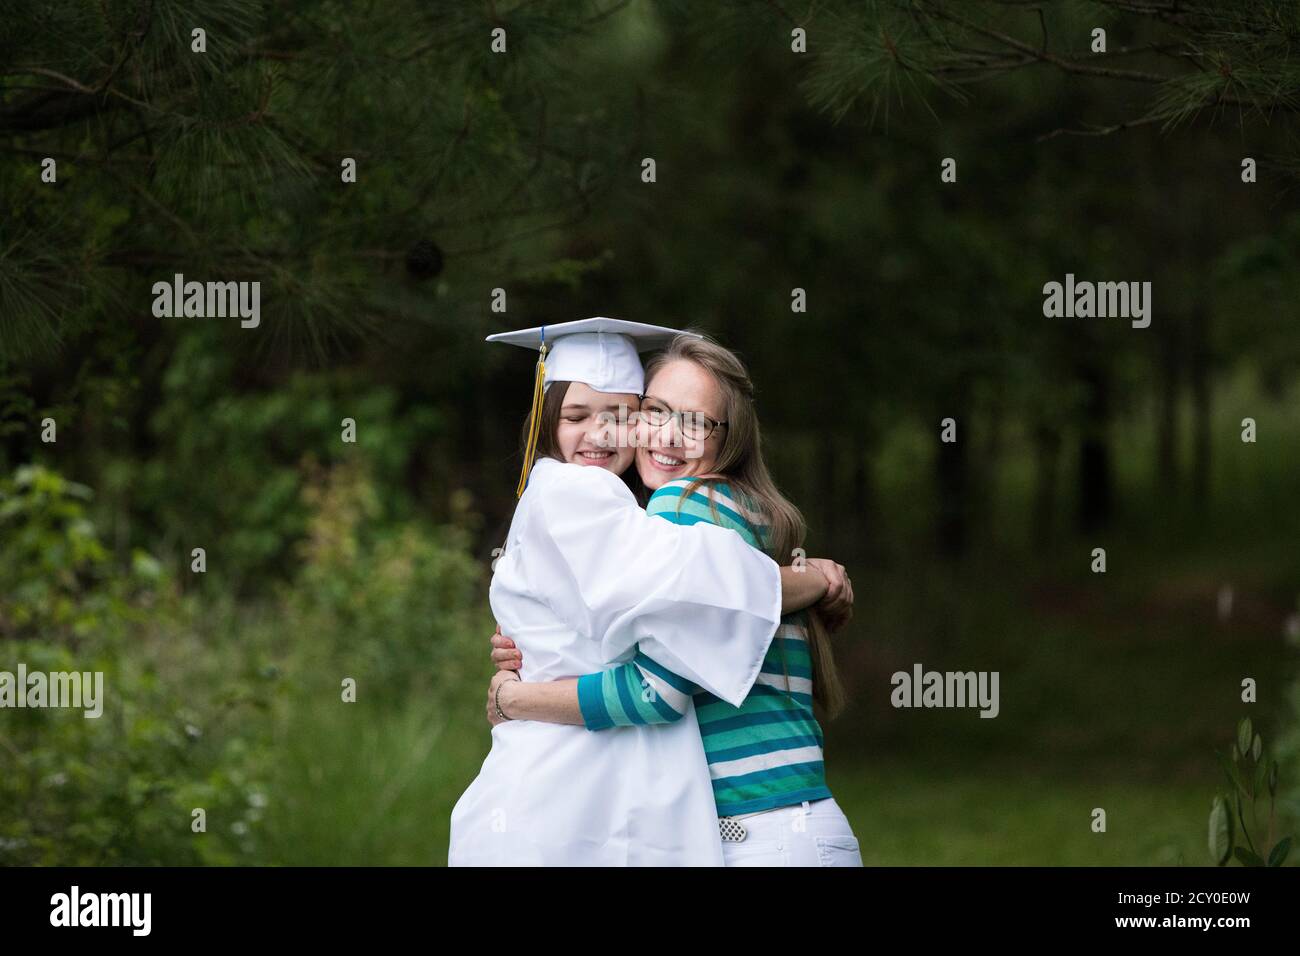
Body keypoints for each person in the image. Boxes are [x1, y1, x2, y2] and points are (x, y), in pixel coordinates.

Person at [447, 317, 847, 866]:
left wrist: (514, 698)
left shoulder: (679, 507)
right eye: (656, 414)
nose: (605, 433)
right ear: (547, 421)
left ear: (728, 436)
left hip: (758, 830)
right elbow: (696, 580)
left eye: (624, 416)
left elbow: (655, 689)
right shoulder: (737, 510)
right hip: (760, 820)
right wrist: (814, 578)